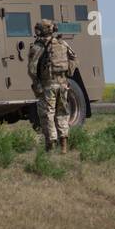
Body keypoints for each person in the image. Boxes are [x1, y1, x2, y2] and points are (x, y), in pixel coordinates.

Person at [27, 19, 76, 152]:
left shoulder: (38, 47)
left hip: (48, 86)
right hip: (63, 84)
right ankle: (64, 146)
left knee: (47, 114)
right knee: (62, 113)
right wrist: (69, 73)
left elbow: (32, 68)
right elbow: (73, 57)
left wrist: (37, 84)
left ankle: (50, 145)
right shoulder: (62, 43)